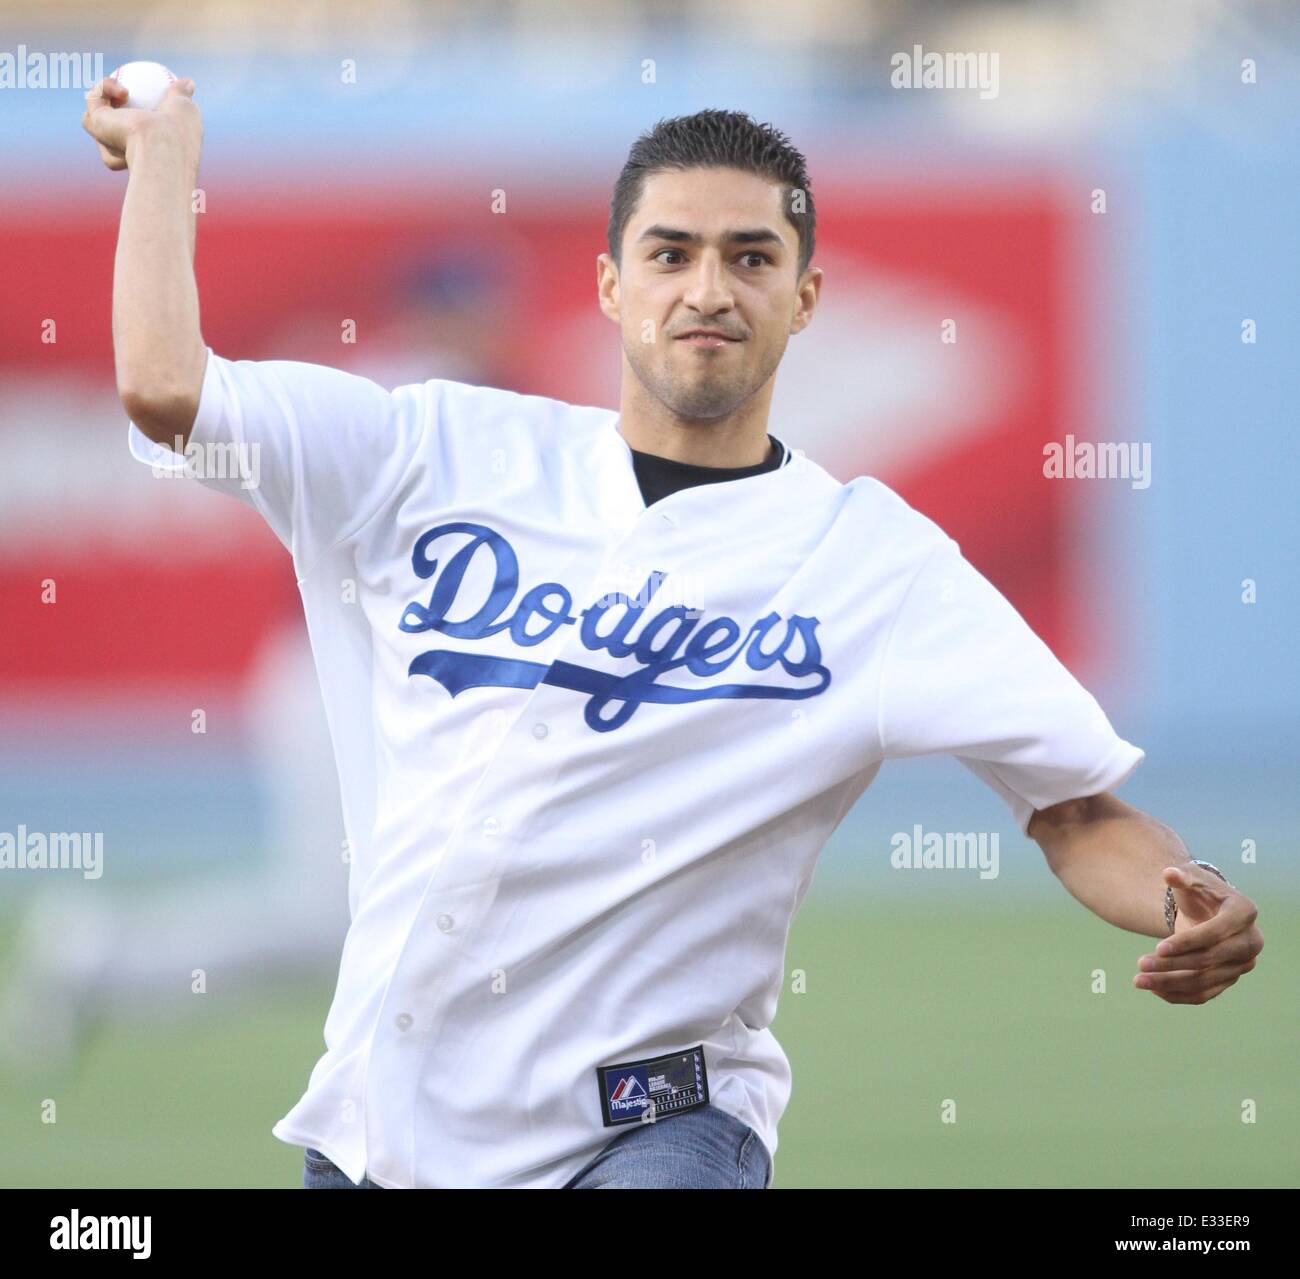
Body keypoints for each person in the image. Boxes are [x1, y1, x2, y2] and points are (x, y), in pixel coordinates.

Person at [81, 85, 1263, 1190]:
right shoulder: (432, 448)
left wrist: (1183, 891)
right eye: (671, 253)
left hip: (654, 1121)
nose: (709, 287)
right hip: (381, 1120)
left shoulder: (878, 566)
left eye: (752, 256)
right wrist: (165, 156)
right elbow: (164, 386)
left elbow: (1077, 809)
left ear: (804, 297)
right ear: (607, 284)